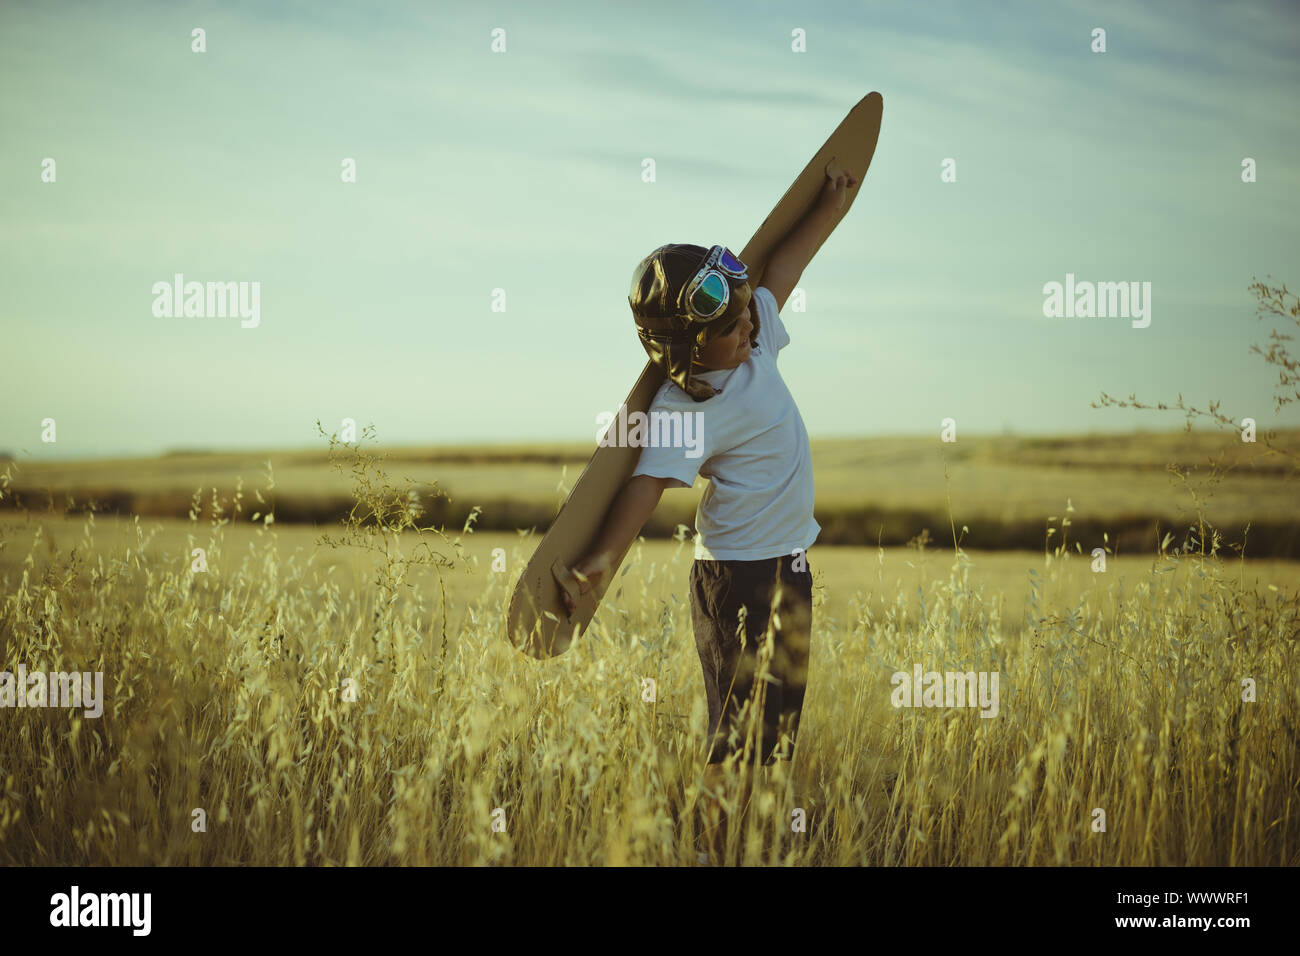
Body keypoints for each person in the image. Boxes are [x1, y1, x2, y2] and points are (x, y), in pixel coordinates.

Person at [561, 168, 858, 860]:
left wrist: (830, 207)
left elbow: (786, 263)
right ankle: (708, 851)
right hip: (737, 582)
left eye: (748, 311)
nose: (750, 325)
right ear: (687, 351)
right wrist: (600, 565)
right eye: (730, 327)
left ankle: (745, 845)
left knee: (773, 735)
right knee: (735, 735)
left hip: (791, 569)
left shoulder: (755, 343)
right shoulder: (684, 408)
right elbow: (642, 491)